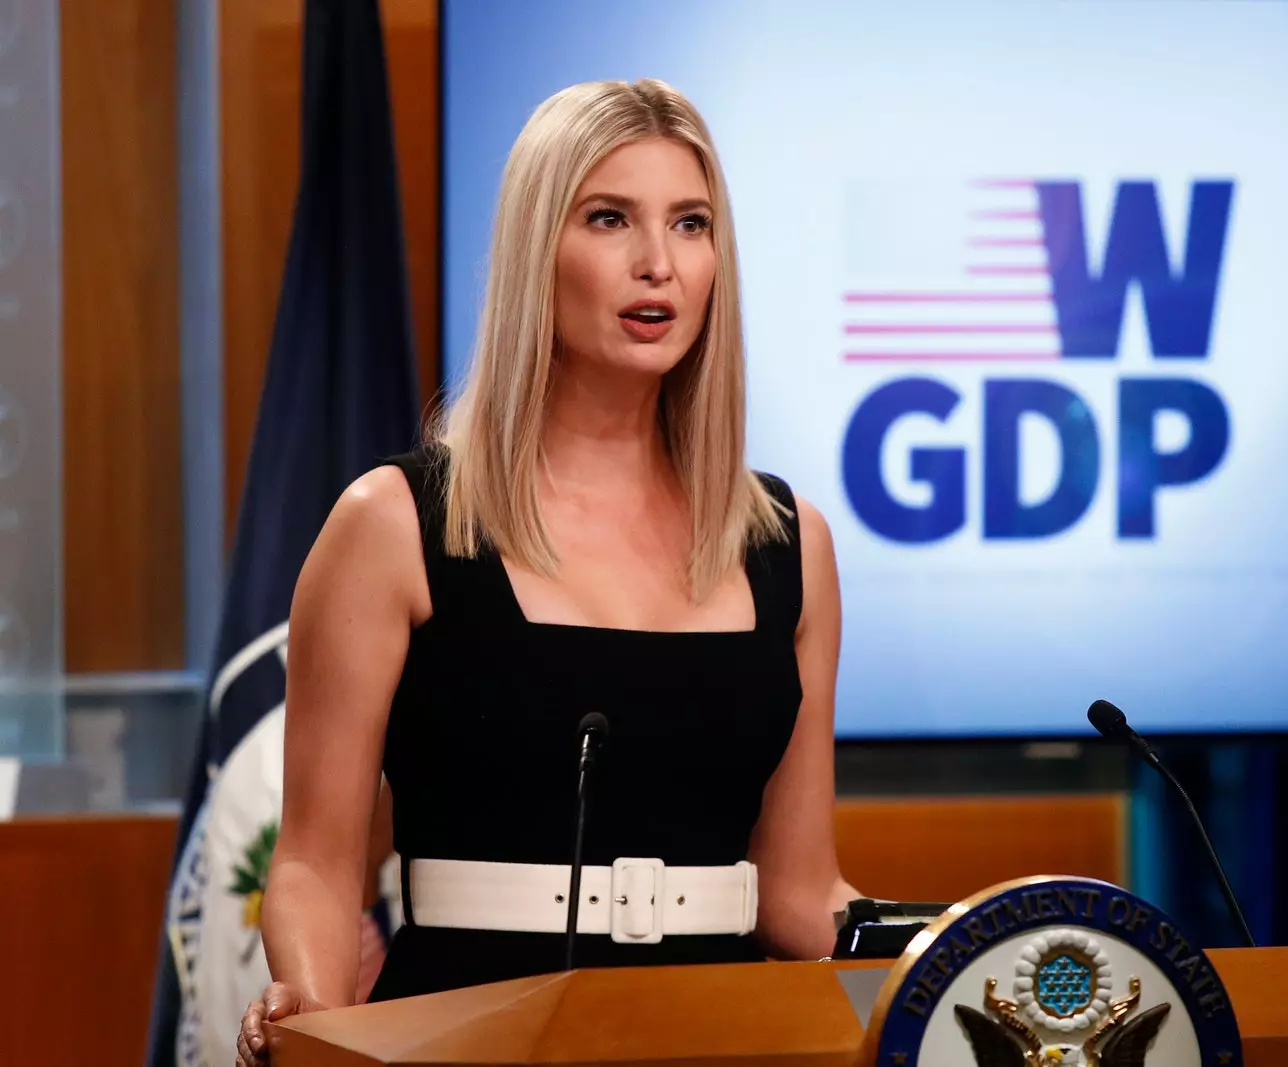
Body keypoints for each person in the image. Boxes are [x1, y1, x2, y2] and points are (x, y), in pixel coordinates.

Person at [236, 78, 859, 1066]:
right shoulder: (395, 522)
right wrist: (317, 1023)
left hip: (729, 1039)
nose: (658, 262)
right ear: (538, 248)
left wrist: (979, 943)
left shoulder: (791, 542)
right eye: (610, 218)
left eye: (690, 224)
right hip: (460, 1027)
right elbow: (315, 864)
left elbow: (797, 897)